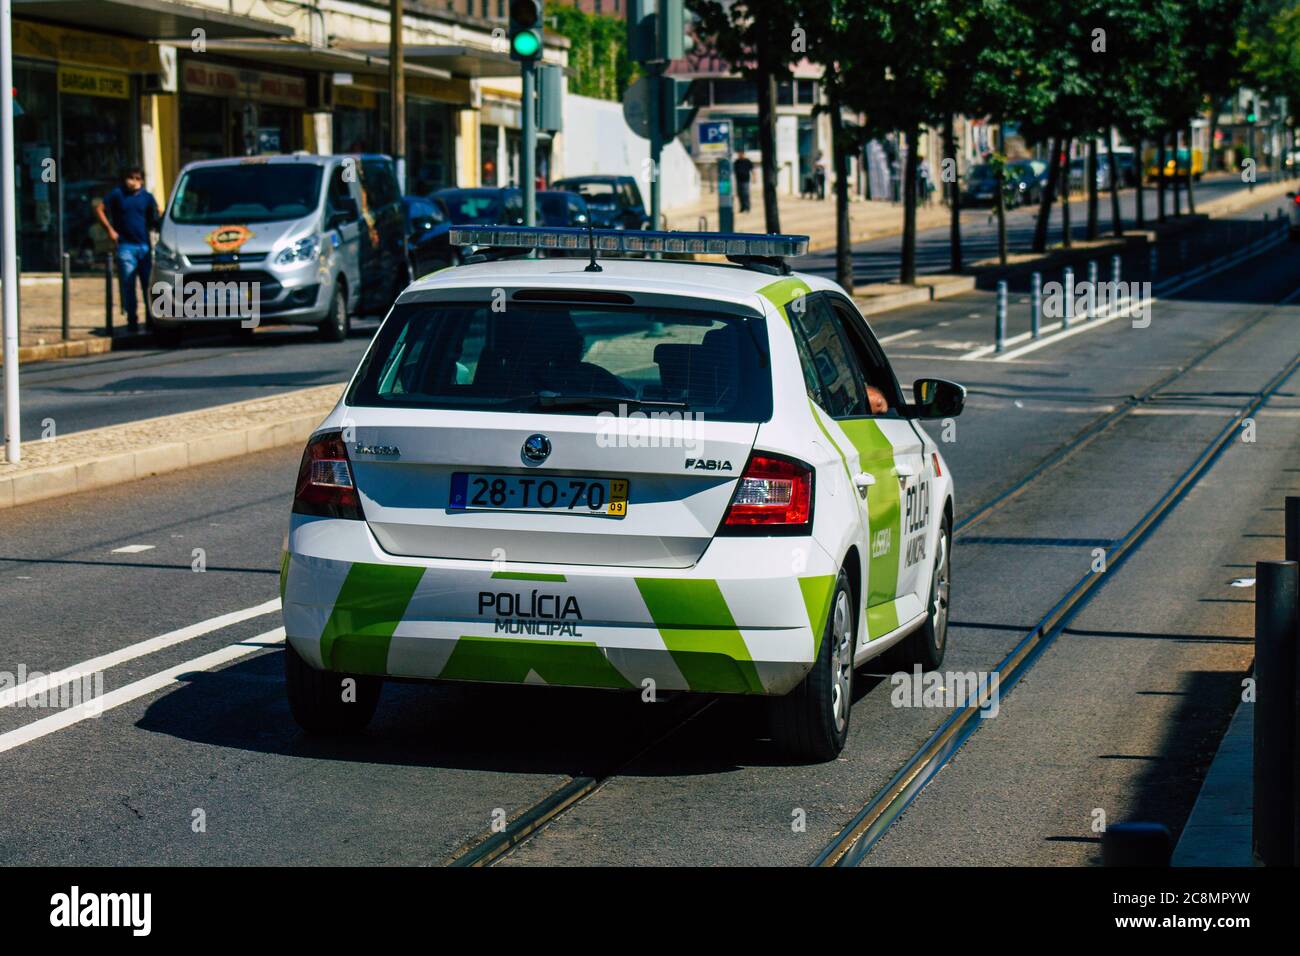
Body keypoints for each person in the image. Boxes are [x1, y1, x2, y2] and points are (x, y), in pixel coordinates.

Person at [96, 166, 161, 329]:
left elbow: (156, 215)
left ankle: (150, 318)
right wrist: (110, 230)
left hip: (144, 246)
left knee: (148, 283)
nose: (133, 182)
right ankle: (132, 318)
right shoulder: (118, 194)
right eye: (131, 178)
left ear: (142, 180)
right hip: (125, 246)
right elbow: (99, 209)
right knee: (128, 283)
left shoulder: (147, 197)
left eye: (137, 178)